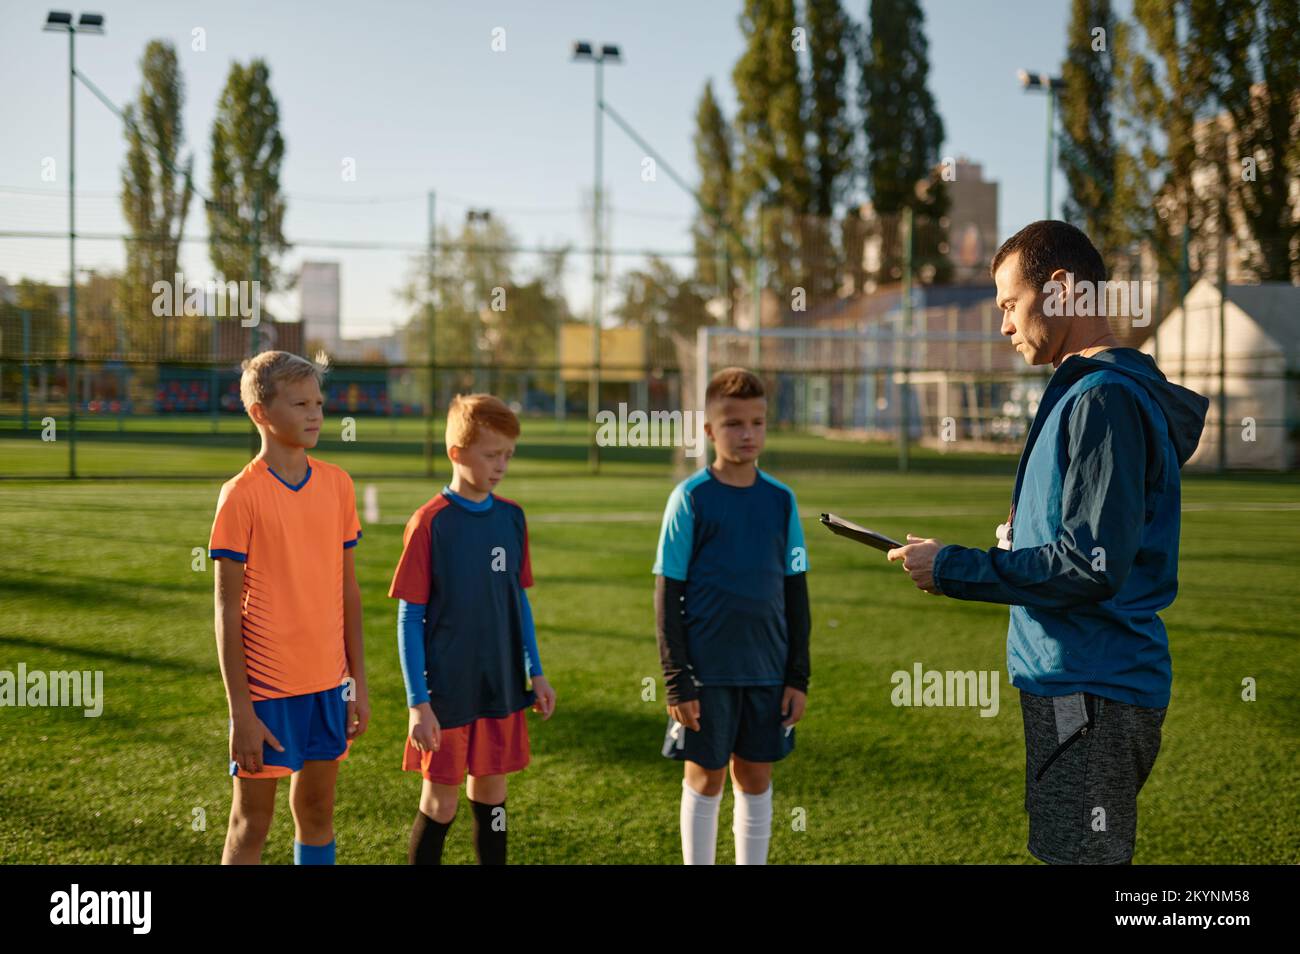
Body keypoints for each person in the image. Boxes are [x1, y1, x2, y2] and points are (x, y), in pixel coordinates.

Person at [888, 220, 1208, 864]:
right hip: (1073, 681)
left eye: (1010, 304)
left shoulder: (1104, 399)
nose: (1004, 325)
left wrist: (953, 567)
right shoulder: (1088, 392)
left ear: (1060, 290)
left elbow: (1089, 566)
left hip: (1092, 687)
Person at [208, 350, 369, 865]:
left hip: (327, 684)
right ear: (261, 413)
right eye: (300, 403)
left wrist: (356, 683)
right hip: (267, 694)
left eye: (319, 402)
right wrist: (241, 712)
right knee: (251, 822)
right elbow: (226, 610)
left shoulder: (338, 484)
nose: (316, 413)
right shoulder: (240, 496)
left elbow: (349, 591)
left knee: (318, 813)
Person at [653, 367, 811, 865]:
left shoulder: (782, 501)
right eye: (734, 423)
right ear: (708, 431)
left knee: (756, 776)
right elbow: (666, 595)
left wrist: (797, 675)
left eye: (758, 422)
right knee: (705, 777)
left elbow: (796, 591)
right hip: (707, 672)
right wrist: (678, 680)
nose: (748, 434)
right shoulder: (690, 499)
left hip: (767, 670)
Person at [389, 393, 556, 865]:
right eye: (490, 455)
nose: (501, 465)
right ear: (457, 453)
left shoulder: (511, 517)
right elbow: (409, 617)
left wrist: (535, 671)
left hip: (500, 683)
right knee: (440, 804)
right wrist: (417, 702)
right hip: (447, 691)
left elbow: (517, 599)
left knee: (492, 798)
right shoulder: (429, 523)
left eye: (508, 455)